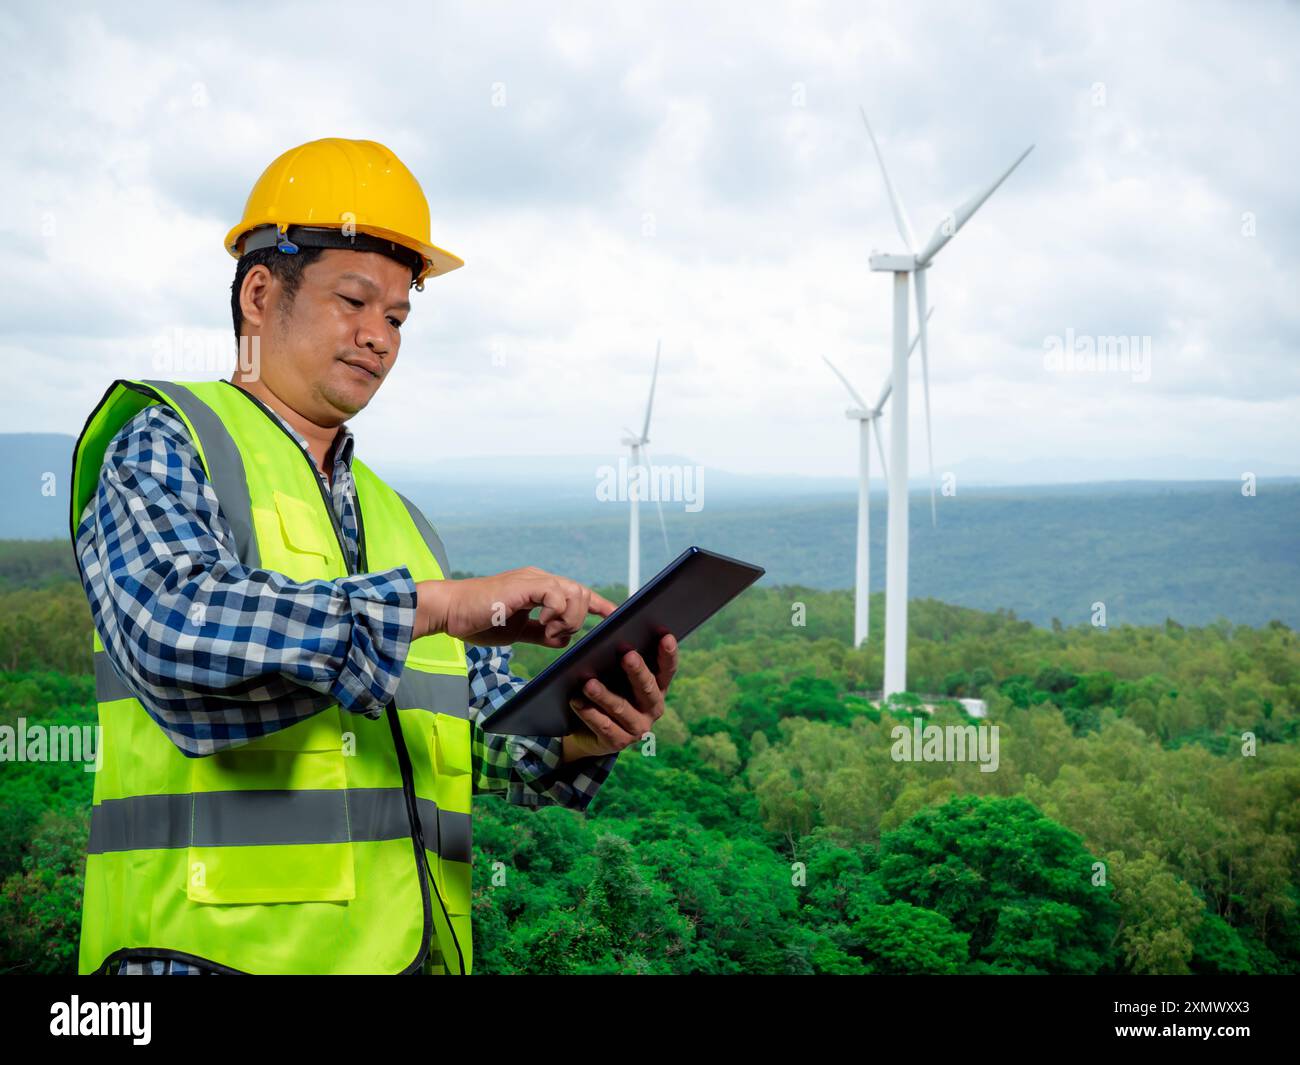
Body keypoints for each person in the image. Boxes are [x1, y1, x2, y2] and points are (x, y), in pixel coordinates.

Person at [70, 138, 677, 975]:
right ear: (258, 292)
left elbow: (467, 735)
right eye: (352, 301)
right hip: (198, 957)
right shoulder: (170, 442)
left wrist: (578, 728)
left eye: (396, 316)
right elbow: (174, 635)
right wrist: (439, 605)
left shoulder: (401, 522)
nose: (378, 337)